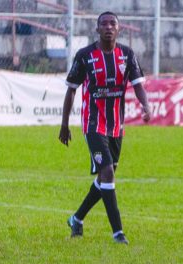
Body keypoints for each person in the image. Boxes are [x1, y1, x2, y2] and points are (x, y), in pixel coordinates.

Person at [60, 11, 152, 245]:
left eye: (113, 24)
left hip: (116, 126)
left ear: (119, 29)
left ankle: (77, 218)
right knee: (108, 172)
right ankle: (117, 232)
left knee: (105, 177)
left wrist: (145, 105)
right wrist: (64, 125)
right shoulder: (85, 56)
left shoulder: (127, 55)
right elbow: (71, 89)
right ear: (97, 29)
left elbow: (138, 84)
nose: (108, 27)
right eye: (104, 24)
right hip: (93, 124)